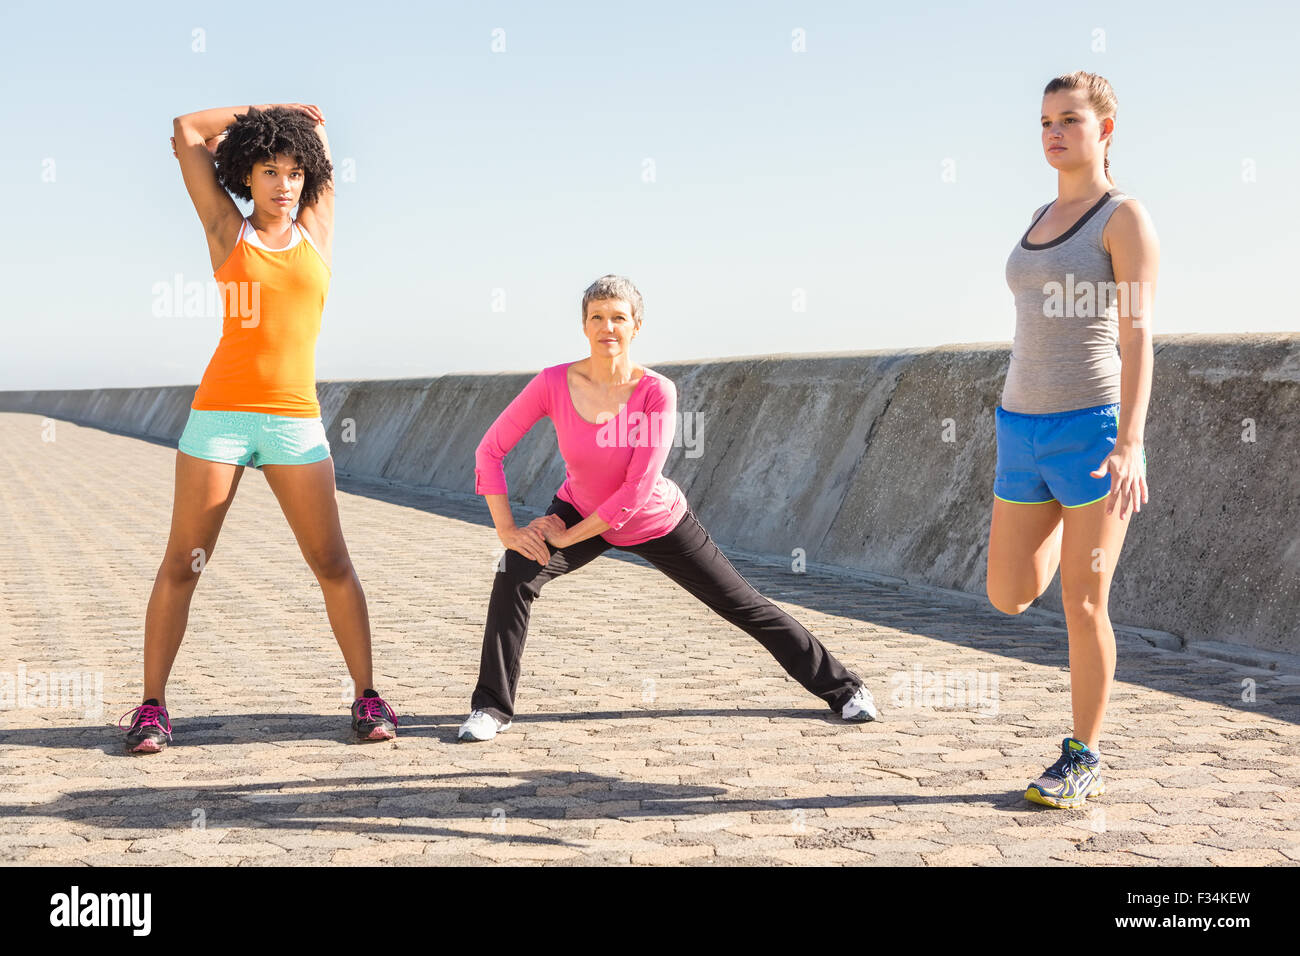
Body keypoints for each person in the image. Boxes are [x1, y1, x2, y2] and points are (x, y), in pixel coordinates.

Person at [459, 275, 877, 741]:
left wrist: (565, 537)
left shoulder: (657, 391)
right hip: (580, 510)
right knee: (513, 571)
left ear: (636, 326)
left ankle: (844, 690)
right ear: (583, 325)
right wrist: (508, 532)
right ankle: (492, 709)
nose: (607, 327)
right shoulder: (554, 383)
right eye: (597, 317)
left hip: (654, 519)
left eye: (619, 317)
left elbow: (635, 490)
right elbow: (489, 451)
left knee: (743, 605)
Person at [120, 104, 398, 753]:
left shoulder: (318, 228)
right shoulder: (226, 230)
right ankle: (152, 707)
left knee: (331, 561)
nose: (284, 183)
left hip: (295, 420)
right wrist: (253, 115)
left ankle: (367, 696)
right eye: (270, 169)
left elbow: (317, 127)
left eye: (294, 171)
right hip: (219, 417)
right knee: (184, 563)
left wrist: (296, 121)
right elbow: (187, 130)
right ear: (248, 173)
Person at [985, 72, 1158, 808]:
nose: (1055, 132)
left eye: (1071, 120)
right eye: (1046, 121)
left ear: (1105, 129)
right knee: (1009, 595)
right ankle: (1064, 521)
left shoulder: (1123, 219)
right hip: (1018, 428)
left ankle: (1083, 756)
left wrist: (1130, 442)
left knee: (1084, 605)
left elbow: (1140, 336)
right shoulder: (1039, 213)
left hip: (1091, 432)